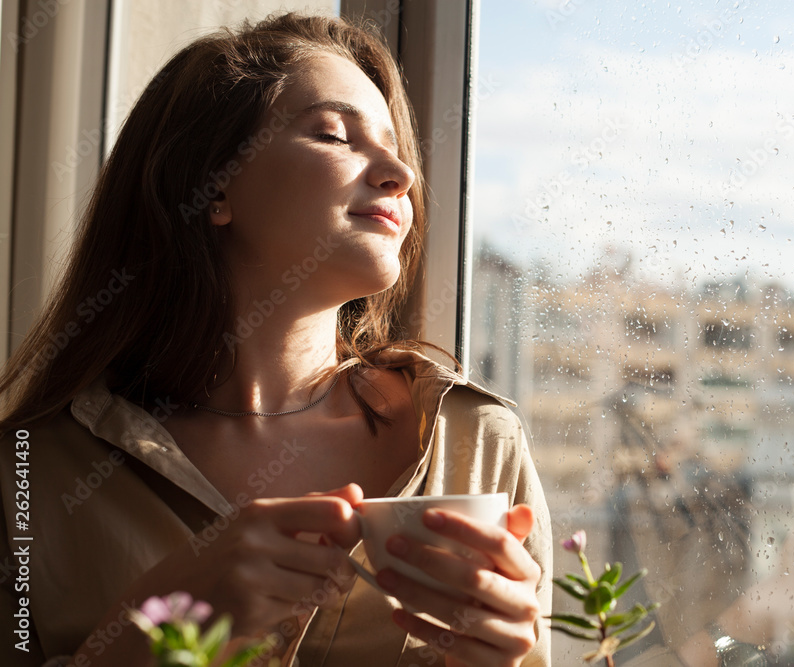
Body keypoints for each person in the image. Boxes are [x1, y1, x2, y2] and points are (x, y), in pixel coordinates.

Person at [0, 12, 551, 667]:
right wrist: (150, 631)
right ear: (214, 183)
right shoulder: (30, 471)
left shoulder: (478, 440)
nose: (399, 173)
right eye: (335, 134)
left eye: (397, 147)